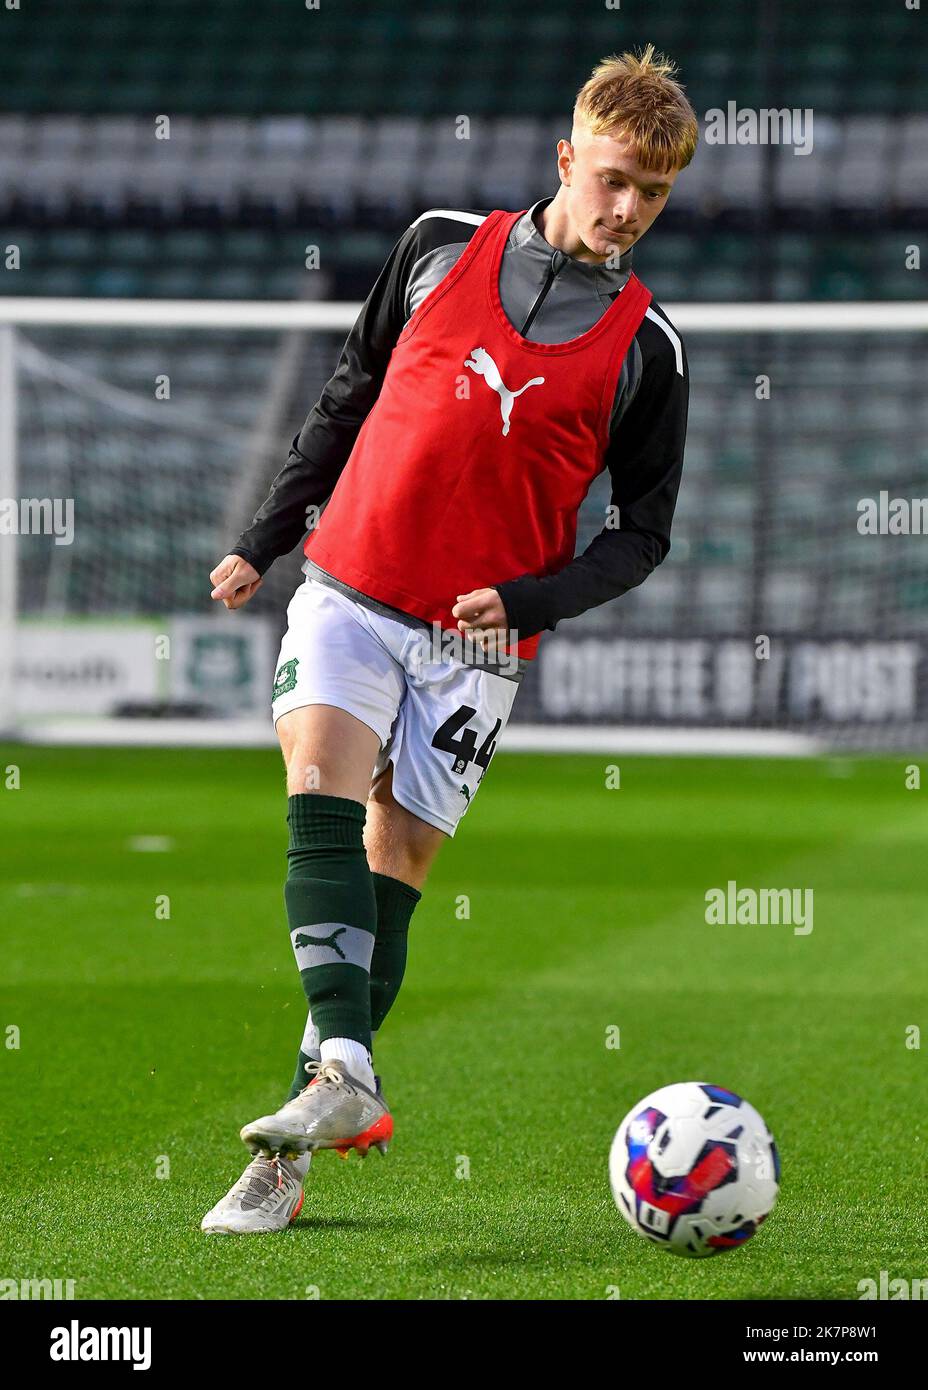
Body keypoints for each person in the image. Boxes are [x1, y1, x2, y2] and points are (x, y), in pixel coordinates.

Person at [201, 45, 697, 1233]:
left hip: (476, 647)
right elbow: (348, 388)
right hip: (352, 582)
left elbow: (641, 536)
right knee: (318, 785)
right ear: (567, 158)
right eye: (614, 179)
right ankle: (346, 1072)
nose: (628, 209)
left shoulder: (649, 350)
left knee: (396, 866)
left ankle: (306, 1127)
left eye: (653, 192)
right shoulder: (437, 246)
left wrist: (530, 601)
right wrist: (265, 536)